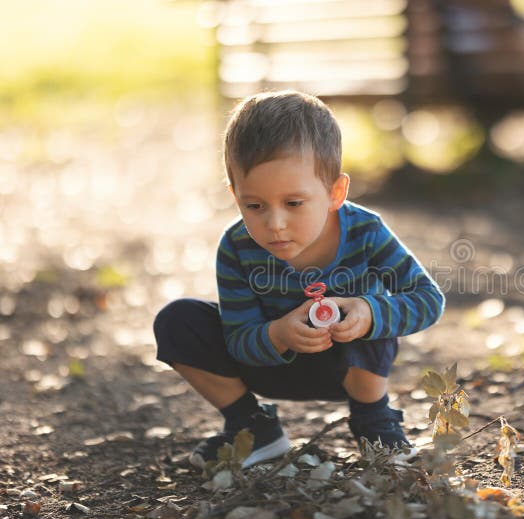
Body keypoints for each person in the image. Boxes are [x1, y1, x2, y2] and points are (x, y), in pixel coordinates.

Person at [153, 90, 445, 469]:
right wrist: (278, 333)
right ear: (235, 195)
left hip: (347, 365)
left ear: (335, 192)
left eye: (294, 203)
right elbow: (239, 337)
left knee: (367, 308)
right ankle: (253, 427)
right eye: (254, 205)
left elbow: (427, 299)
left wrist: (369, 312)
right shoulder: (237, 246)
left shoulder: (366, 232)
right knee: (178, 321)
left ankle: (375, 421)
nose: (274, 224)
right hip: (269, 365)